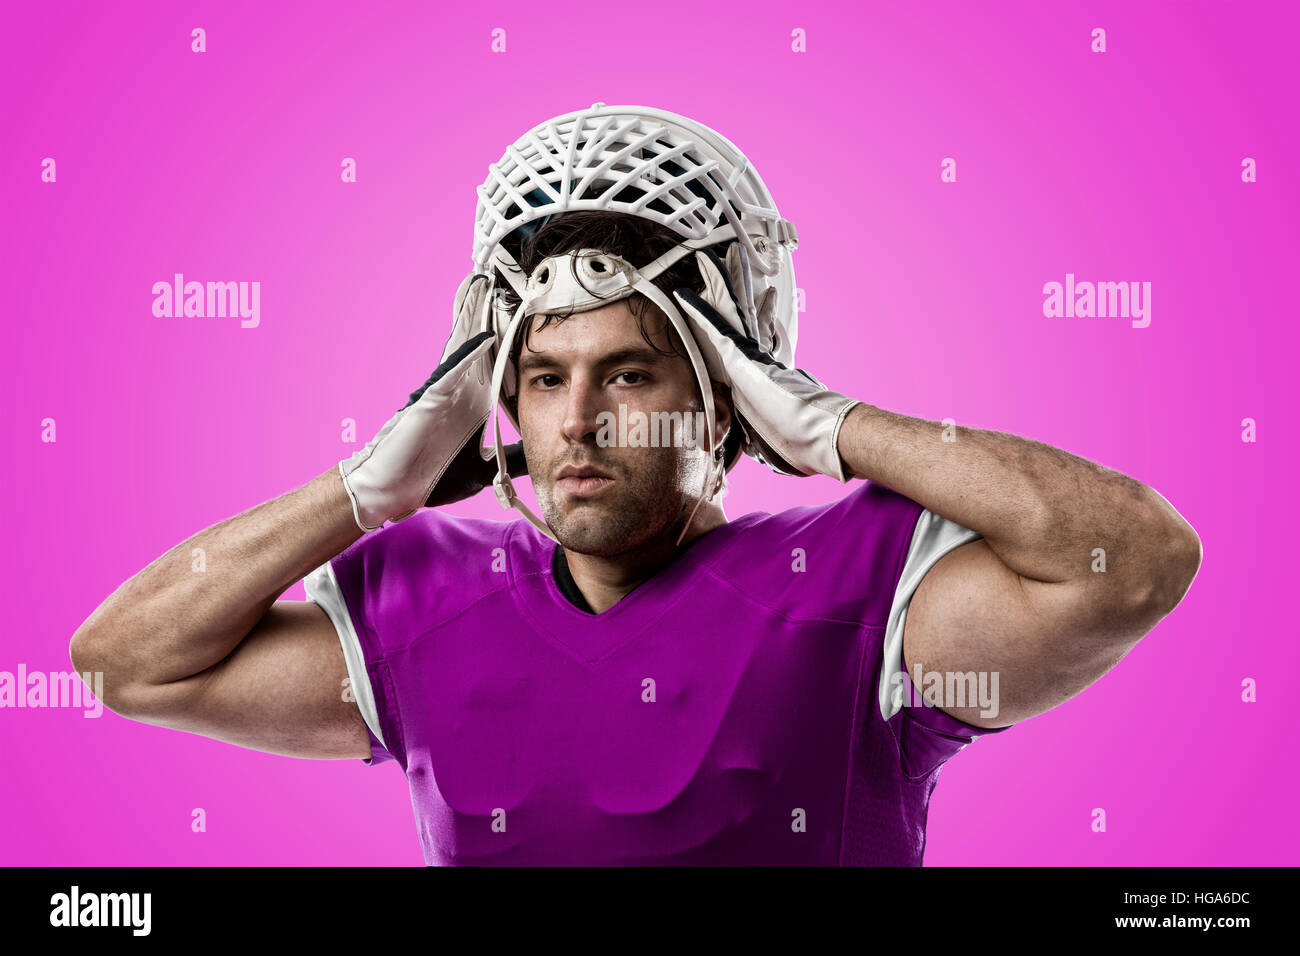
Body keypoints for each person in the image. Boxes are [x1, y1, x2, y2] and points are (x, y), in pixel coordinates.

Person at [69, 105, 1201, 866]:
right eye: (543, 375)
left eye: (626, 371)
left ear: (719, 397)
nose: (578, 421)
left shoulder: (849, 590)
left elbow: (1136, 560)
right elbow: (123, 662)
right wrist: (365, 490)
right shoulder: (427, 598)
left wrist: (830, 422)